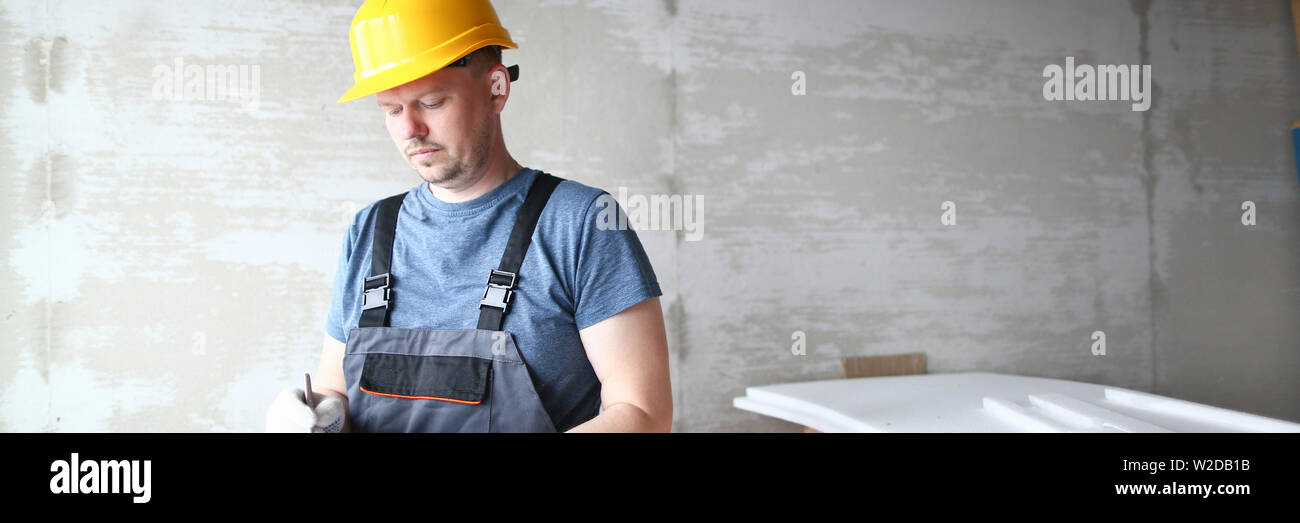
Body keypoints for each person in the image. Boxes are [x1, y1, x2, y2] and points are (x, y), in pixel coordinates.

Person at [264, 0, 671, 432]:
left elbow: (642, 413)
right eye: (392, 109)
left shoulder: (581, 223)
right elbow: (336, 390)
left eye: (431, 102)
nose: (409, 129)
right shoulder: (370, 229)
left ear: (496, 88)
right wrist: (317, 416)